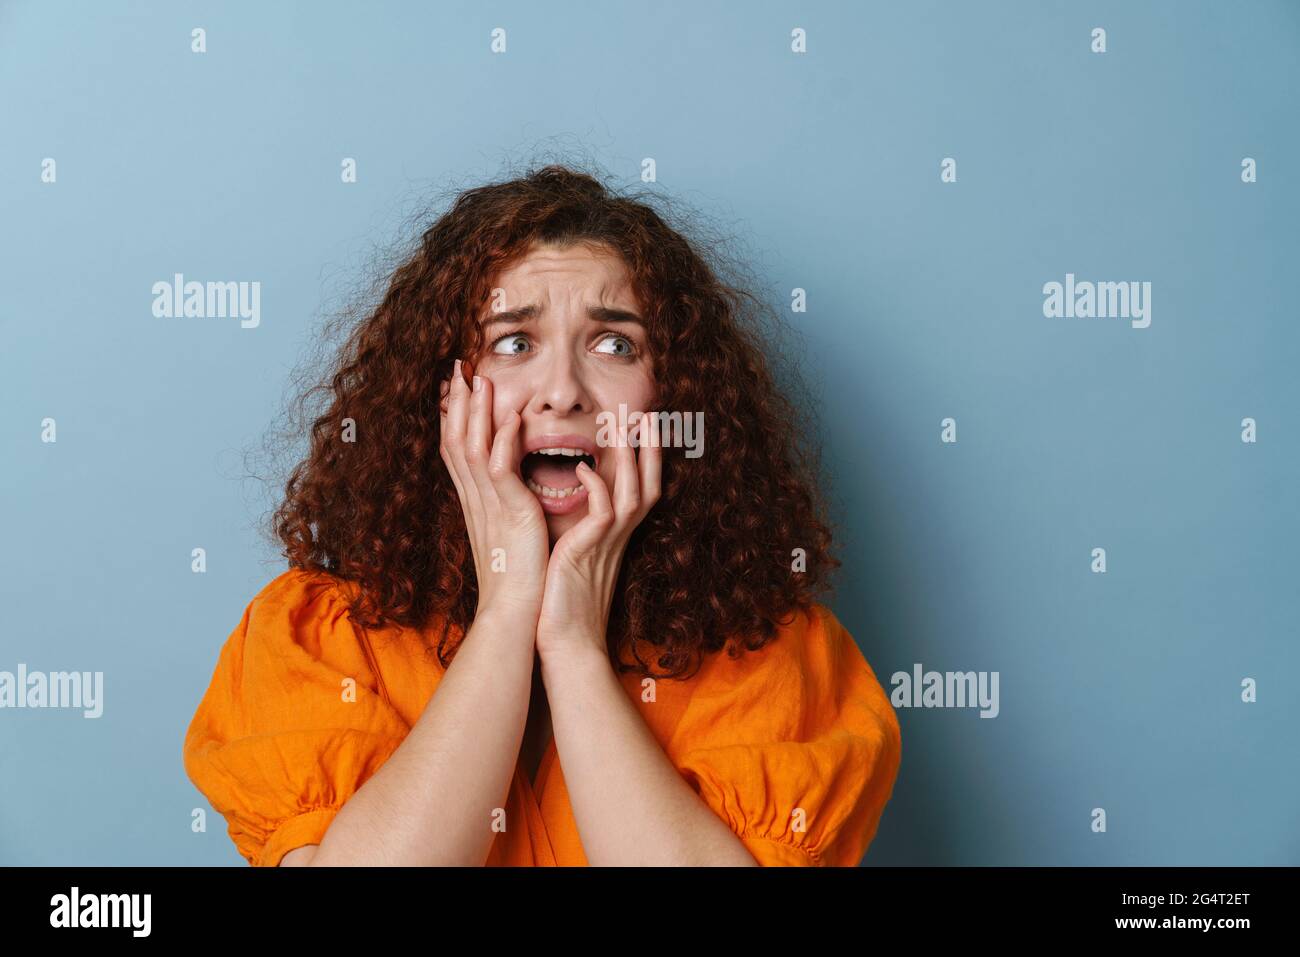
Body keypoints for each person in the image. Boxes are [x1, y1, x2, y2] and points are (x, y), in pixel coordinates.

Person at [182, 163, 902, 866]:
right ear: (442, 392)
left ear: (672, 396)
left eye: (615, 343)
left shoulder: (776, 657)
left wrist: (574, 647)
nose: (563, 391)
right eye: (514, 342)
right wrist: (507, 605)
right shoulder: (315, 636)